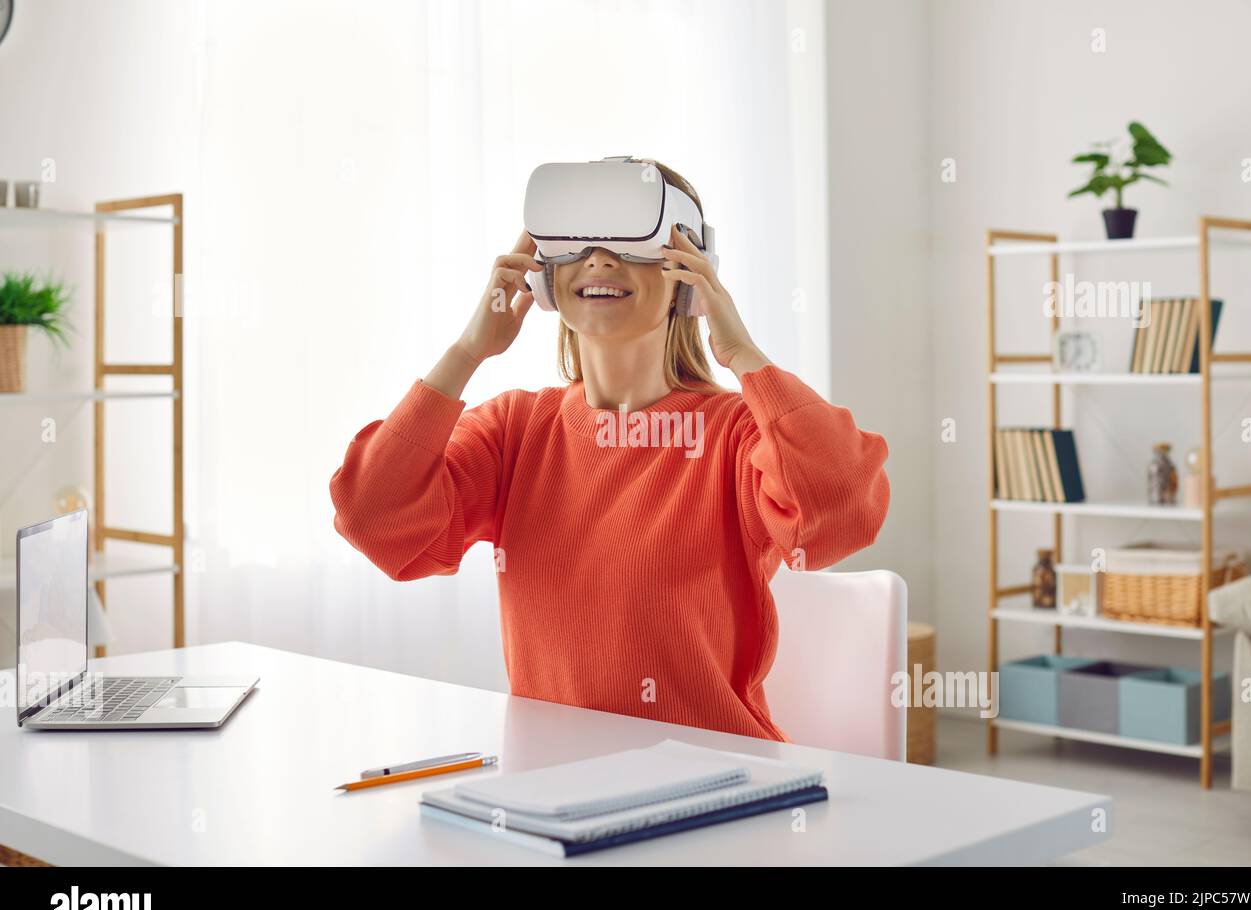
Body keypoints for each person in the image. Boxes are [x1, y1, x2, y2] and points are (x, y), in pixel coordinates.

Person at [330, 159, 890, 741]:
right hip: (555, 787)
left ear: (688, 273)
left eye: (628, 240)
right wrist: (468, 351)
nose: (599, 259)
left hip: (716, 783)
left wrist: (742, 352)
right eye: (576, 242)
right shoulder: (516, 430)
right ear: (544, 275)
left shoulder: (736, 434)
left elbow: (842, 506)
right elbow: (375, 519)